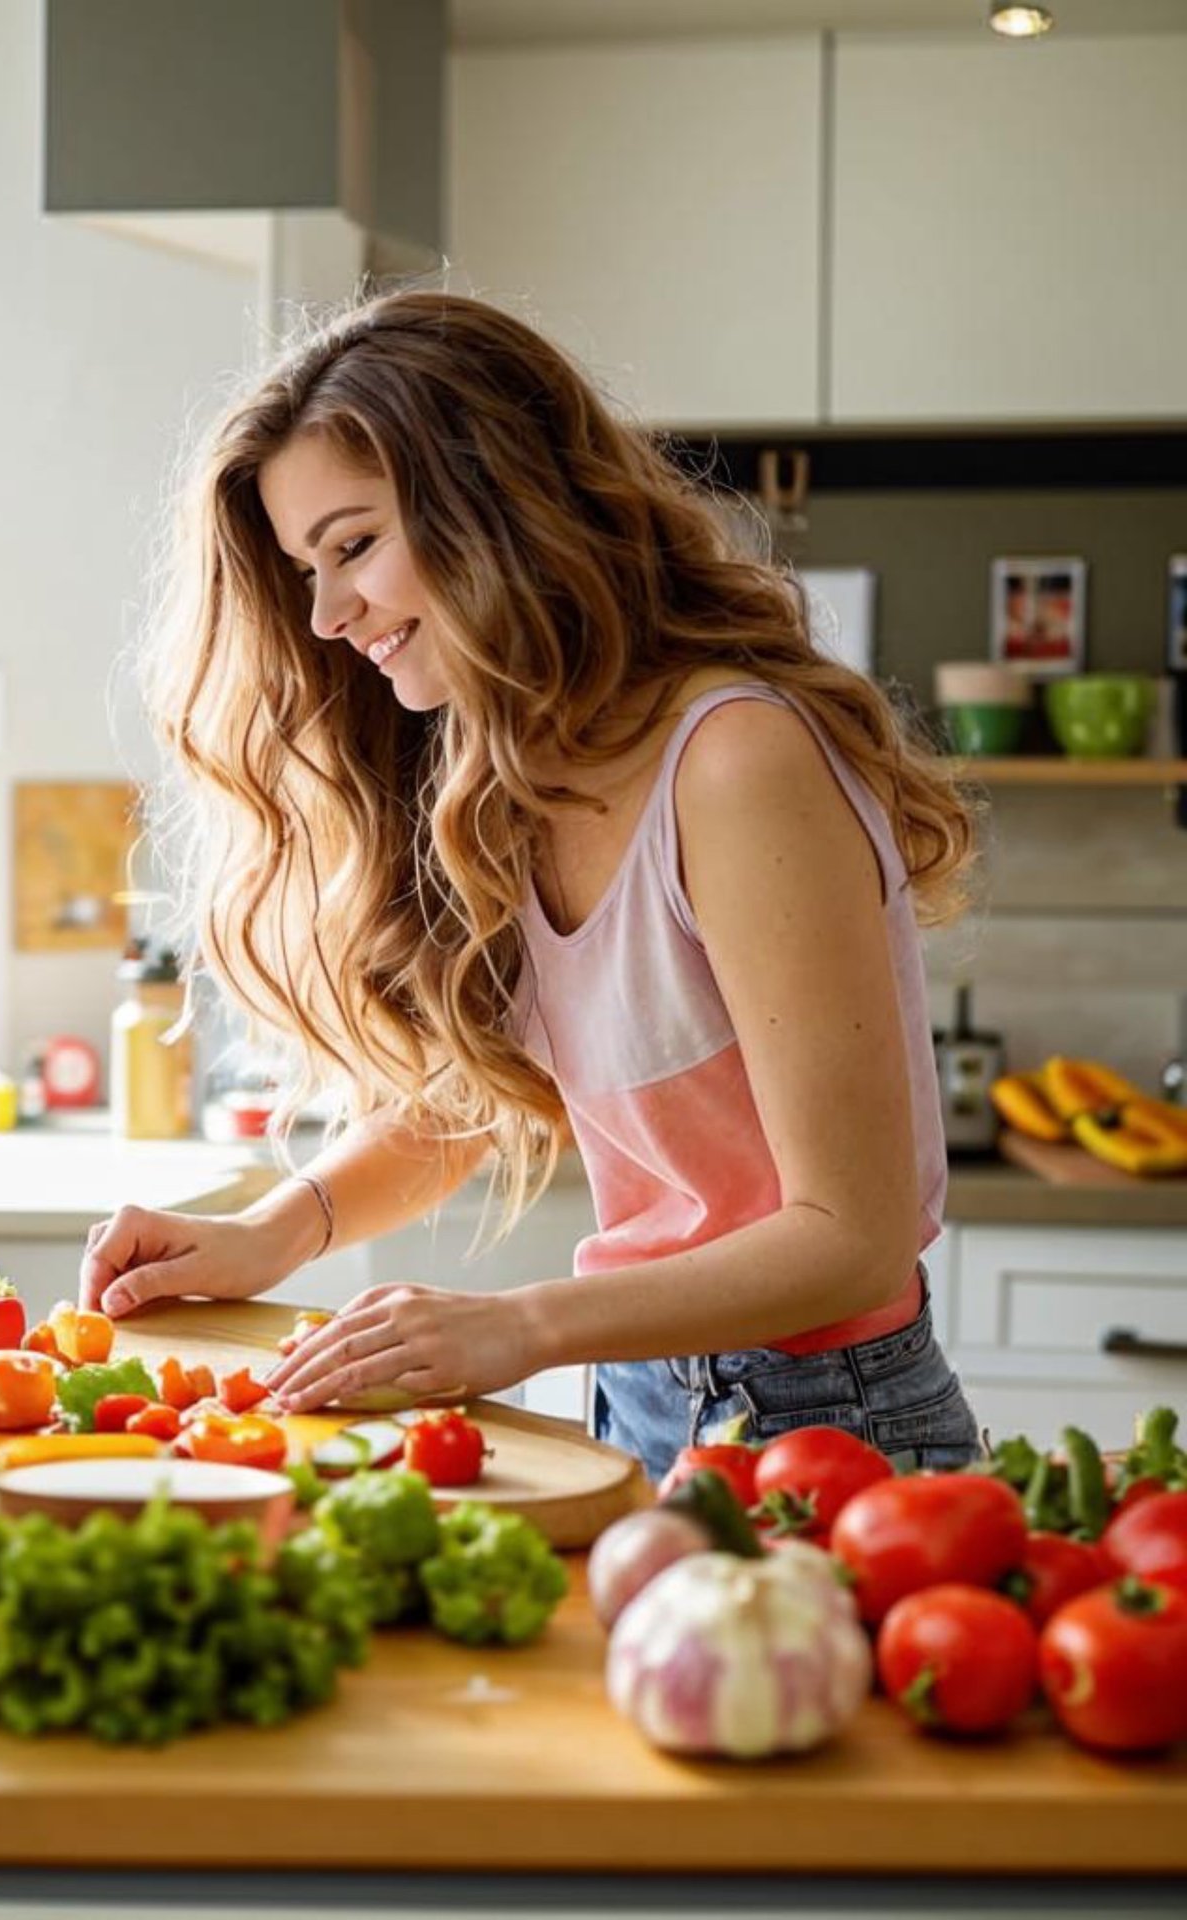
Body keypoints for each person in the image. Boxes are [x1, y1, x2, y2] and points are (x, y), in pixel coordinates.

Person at [79, 289, 982, 1483]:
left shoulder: (733, 761)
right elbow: (472, 1096)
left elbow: (854, 1243)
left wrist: (516, 1326)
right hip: (647, 1395)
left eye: (353, 546)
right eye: (307, 569)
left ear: (493, 508)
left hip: (835, 1423)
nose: (328, 615)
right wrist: (265, 1236)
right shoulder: (507, 770)